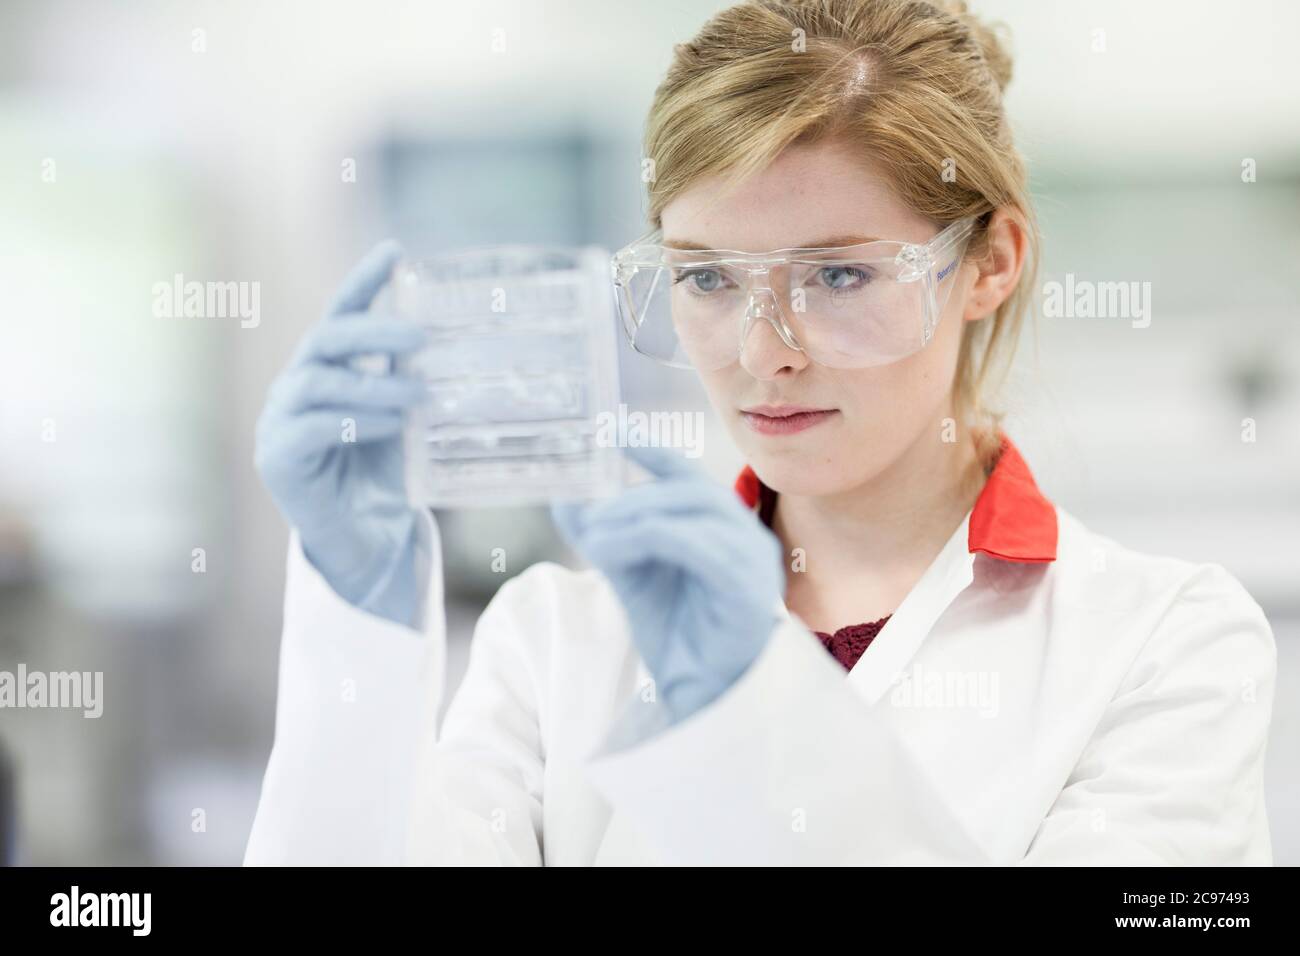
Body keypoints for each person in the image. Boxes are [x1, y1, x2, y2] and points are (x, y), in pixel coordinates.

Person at [244, 0, 1276, 865]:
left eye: (838, 274)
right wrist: (359, 622)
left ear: (991, 259)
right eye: (705, 277)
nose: (763, 352)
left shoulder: (1167, 644)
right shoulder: (559, 636)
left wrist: (753, 710)